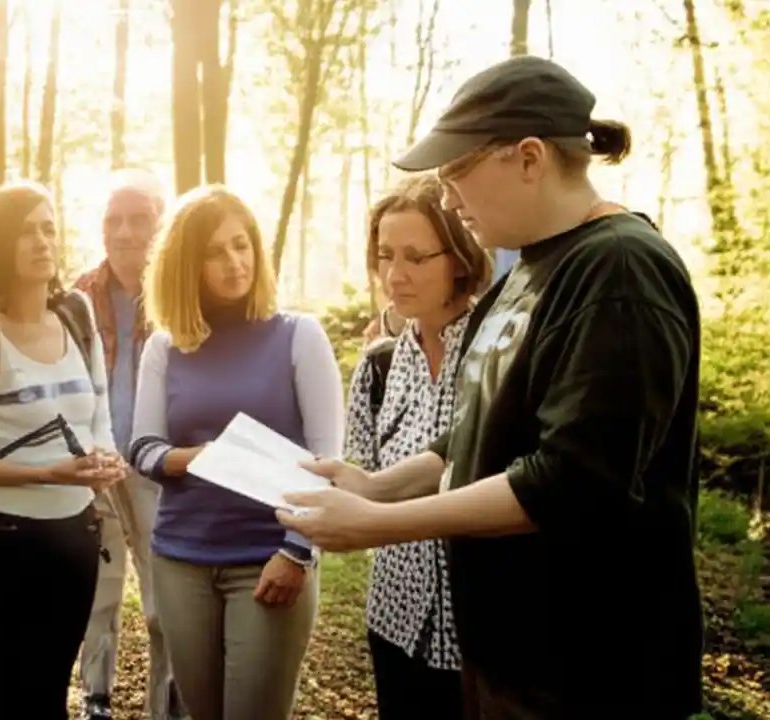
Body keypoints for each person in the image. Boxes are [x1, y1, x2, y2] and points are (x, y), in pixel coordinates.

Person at [279, 56, 704, 718]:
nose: (448, 198)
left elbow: (569, 480)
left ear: (528, 158)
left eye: (456, 173)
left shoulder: (619, 270)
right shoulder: (525, 272)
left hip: (590, 670)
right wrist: (379, 484)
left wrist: (382, 524)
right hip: (508, 657)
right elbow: (482, 425)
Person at [127, 185, 344, 720]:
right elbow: (142, 448)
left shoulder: (299, 336)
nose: (234, 261)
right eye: (215, 251)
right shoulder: (165, 347)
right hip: (181, 562)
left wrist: (297, 552)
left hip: (269, 560)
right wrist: (198, 458)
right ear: (185, 263)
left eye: (242, 244)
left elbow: (327, 462)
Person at [0, 182, 127, 719]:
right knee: (16, 693)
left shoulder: (78, 315)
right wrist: (49, 474)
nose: (42, 241)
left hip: (77, 536)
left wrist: (104, 458)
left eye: (48, 228)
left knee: (53, 692)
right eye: (24, 231)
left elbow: (97, 418)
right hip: (4, 539)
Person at [346, 174, 490, 719]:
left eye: (415, 257)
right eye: (385, 256)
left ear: (457, 257)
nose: (394, 276)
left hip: (480, 631)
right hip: (395, 617)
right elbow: (361, 472)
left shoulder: (499, 350)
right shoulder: (379, 365)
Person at [72, 169, 181, 720]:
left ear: (162, 224)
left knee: (165, 602)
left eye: (140, 218)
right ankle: (97, 697)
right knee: (100, 592)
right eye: (114, 219)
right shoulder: (77, 297)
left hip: (158, 467)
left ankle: (166, 702)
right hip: (95, 465)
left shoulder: (181, 293)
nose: (125, 231)